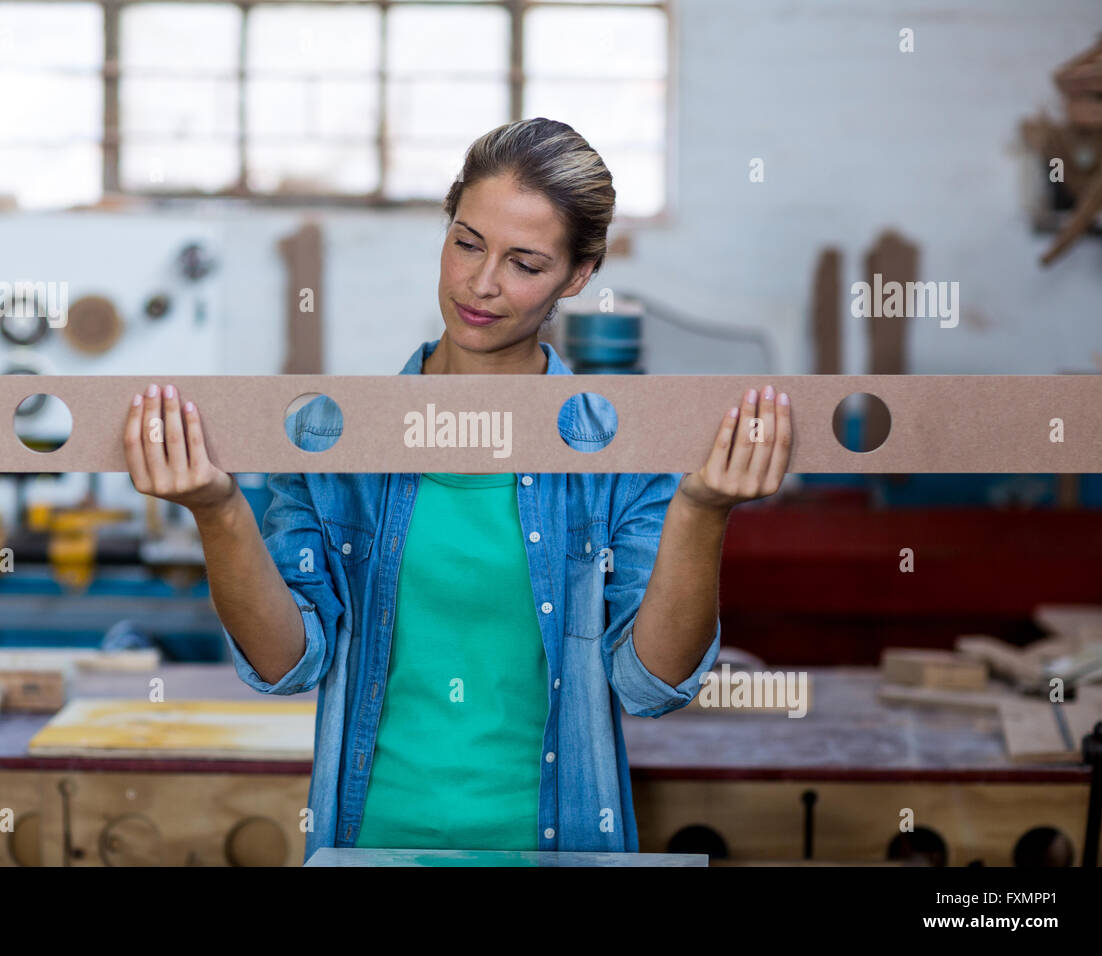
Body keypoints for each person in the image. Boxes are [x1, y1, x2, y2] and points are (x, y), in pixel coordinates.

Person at [122, 117, 792, 863]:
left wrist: (704, 511)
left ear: (577, 276)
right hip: (372, 846)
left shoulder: (622, 454)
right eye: (467, 243)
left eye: (525, 263)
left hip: (557, 847)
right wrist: (219, 510)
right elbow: (288, 665)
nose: (481, 284)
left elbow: (650, 686)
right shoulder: (332, 438)